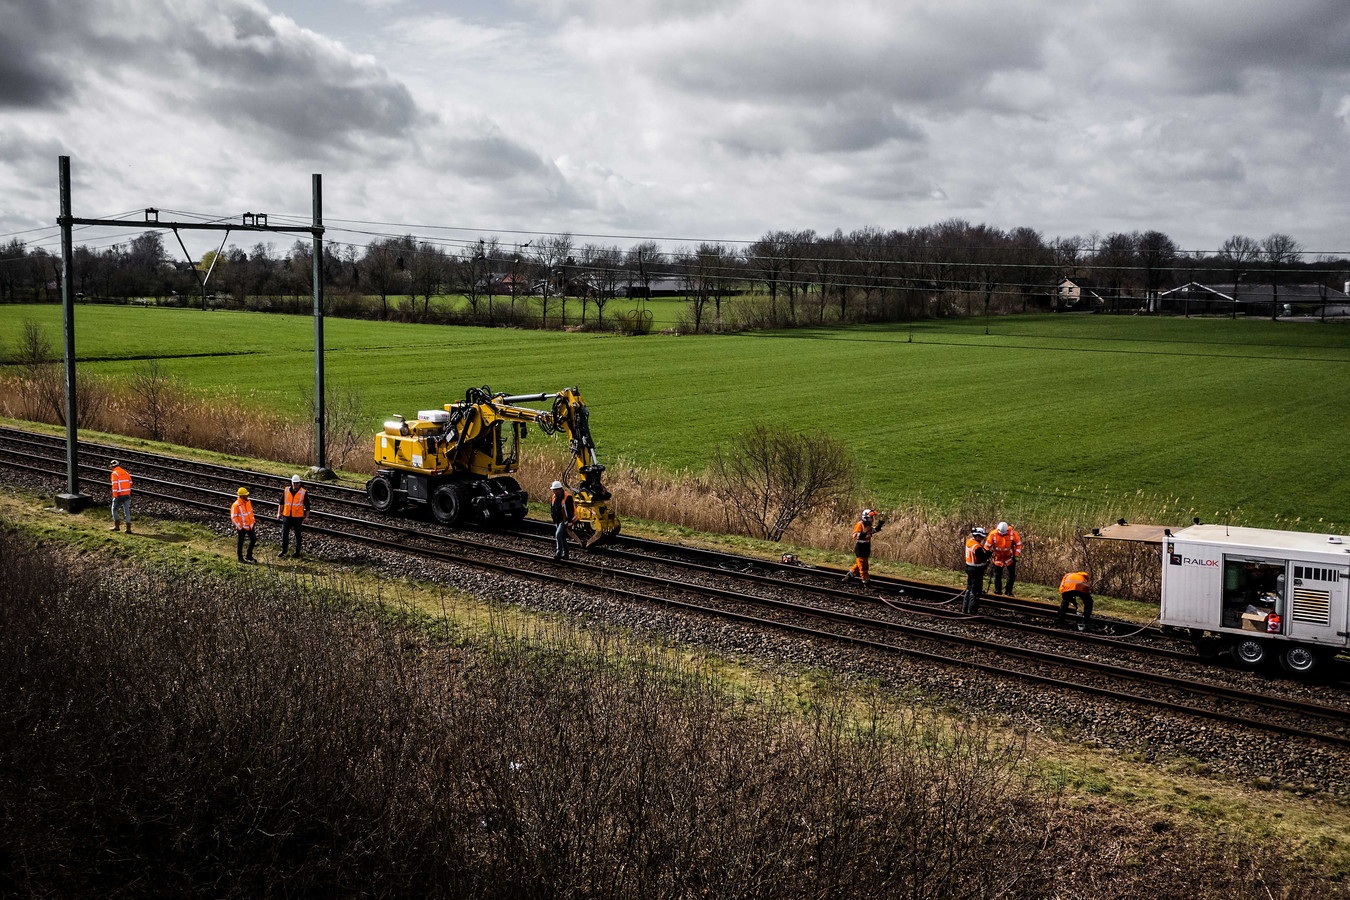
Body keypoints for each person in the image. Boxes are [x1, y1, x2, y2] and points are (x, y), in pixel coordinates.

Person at [842, 508, 881, 586]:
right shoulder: (860, 524)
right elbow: (855, 535)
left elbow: (872, 531)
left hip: (866, 546)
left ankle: (848, 577)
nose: (872, 519)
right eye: (871, 517)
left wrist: (878, 527)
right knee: (863, 565)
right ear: (865, 517)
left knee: (859, 564)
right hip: (860, 547)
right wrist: (864, 533)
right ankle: (866, 581)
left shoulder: (868, 525)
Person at [983, 521, 1023, 596]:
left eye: (1004, 533)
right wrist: (988, 554)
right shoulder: (993, 534)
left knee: (1011, 575)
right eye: (1001, 533)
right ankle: (998, 591)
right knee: (997, 575)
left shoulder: (1013, 534)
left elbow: (1018, 544)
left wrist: (1016, 555)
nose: (1002, 534)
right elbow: (986, 546)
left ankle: (1008, 591)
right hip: (998, 558)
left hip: (1009, 557)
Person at [277, 474, 310, 558]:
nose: (295, 485)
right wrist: (279, 513)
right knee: (284, 534)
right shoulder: (286, 490)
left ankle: (297, 553)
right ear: (291, 483)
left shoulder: (303, 492)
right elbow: (281, 502)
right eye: (294, 483)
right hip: (287, 515)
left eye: (297, 483)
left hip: (297, 517)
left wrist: (306, 517)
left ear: (299, 483)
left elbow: (308, 506)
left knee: (297, 535)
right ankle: (284, 551)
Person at [962, 526, 991, 614]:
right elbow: (982, 558)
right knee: (975, 591)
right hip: (976, 571)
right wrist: (989, 555)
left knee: (969, 589)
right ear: (977, 536)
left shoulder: (970, 542)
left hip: (969, 569)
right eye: (981, 537)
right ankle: (972, 610)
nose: (982, 539)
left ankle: (965, 608)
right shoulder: (976, 547)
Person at [550, 480, 577, 560]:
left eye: (555, 490)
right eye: (553, 490)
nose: (553, 491)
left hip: (564, 520)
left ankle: (559, 553)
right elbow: (552, 508)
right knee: (562, 537)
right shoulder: (554, 497)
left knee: (558, 535)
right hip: (558, 519)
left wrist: (569, 521)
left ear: (559, 489)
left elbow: (570, 510)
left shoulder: (567, 497)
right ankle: (566, 554)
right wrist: (553, 518)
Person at [232, 487, 257, 564]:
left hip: (250, 526)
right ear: (241, 496)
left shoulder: (248, 502)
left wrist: (253, 522)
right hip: (242, 527)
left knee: (253, 539)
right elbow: (233, 517)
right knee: (241, 543)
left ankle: (249, 555)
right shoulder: (236, 505)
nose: (247, 496)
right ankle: (240, 558)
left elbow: (250, 512)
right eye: (246, 495)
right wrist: (240, 526)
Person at [109, 459, 133, 532]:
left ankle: (117, 526)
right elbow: (131, 482)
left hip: (119, 495)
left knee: (114, 509)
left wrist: (115, 495)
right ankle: (128, 529)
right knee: (127, 511)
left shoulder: (114, 474)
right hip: (127, 494)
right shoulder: (126, 473)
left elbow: (114, 485)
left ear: (112, 467)